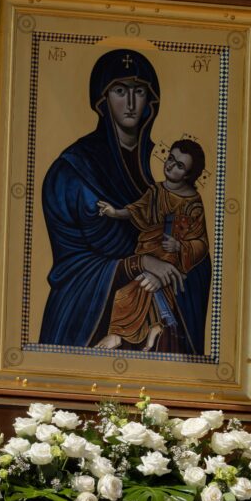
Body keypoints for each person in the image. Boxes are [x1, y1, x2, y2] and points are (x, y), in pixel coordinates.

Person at [38, 48, 211, 354]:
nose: (130, 103)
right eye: (120, 91)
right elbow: (70, 266)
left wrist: (172, 265)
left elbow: (198, 251)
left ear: (150, 100)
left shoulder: (164, 165)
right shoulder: (74, 169)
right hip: (90, 312)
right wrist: (140, 263)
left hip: (164, 311)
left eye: (139, 92)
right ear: (102, 100)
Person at [94, 139, 210, 352]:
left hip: (172, 257)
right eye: (171, 159)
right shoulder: (156, 191)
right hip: (149, 252)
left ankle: (118, 334)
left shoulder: (193, 202)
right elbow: (137, 210)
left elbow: (201, 243)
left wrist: (180, 246)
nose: (170, 165)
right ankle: (155, 326)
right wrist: (115, 212)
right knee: (143, 286)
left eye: (179, 165)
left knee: (127, 293)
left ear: (188, 175)